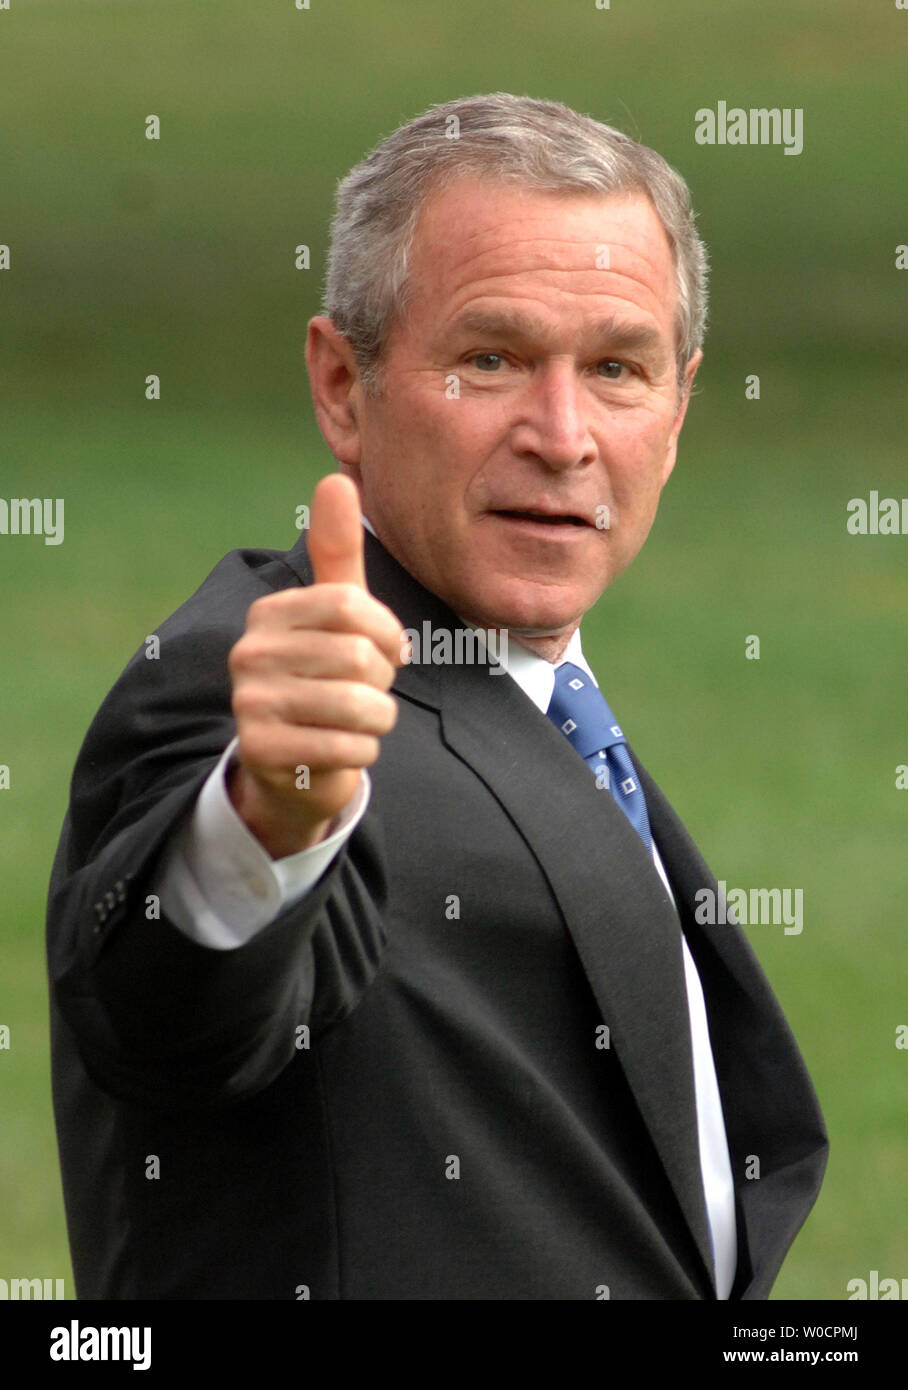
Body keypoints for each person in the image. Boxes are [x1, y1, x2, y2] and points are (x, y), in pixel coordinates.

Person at [47, 92, 827, 1300]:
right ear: (341, 385)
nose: (561, 435)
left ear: (676, 409)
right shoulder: (257, 681)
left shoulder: (544, 692)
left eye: (616, 368)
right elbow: (169, 1012)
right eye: (491, 360)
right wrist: (264, 825)